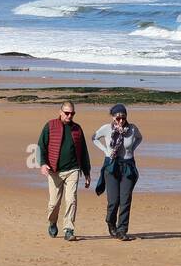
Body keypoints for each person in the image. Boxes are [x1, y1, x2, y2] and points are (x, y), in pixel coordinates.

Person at [36, 101, 90, 241]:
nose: (69, 115)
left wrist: (87, 172)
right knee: (54, 203)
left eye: (72, 113)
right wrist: (42, 164)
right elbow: (41, 146)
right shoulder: (50, 125)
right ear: (60, 112)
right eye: (67, 113)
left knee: (71, 199)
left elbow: (84, 151)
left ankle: (69, 229)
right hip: (54, 171)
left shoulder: (77, 129)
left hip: (73, 170)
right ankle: (52, 222)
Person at [92, 103, 142, 240]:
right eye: (118, 117)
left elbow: (139, 138)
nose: (121, 120)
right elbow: (94, 138)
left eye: (123, 117)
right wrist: (105, 151)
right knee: (114, 200)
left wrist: (132, 149)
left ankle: (122, 230)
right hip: (112, 165)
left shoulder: (132, 129)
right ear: (113, 117)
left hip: (128, 166)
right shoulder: (106, 129)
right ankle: (110, 222)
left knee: (125, 199)